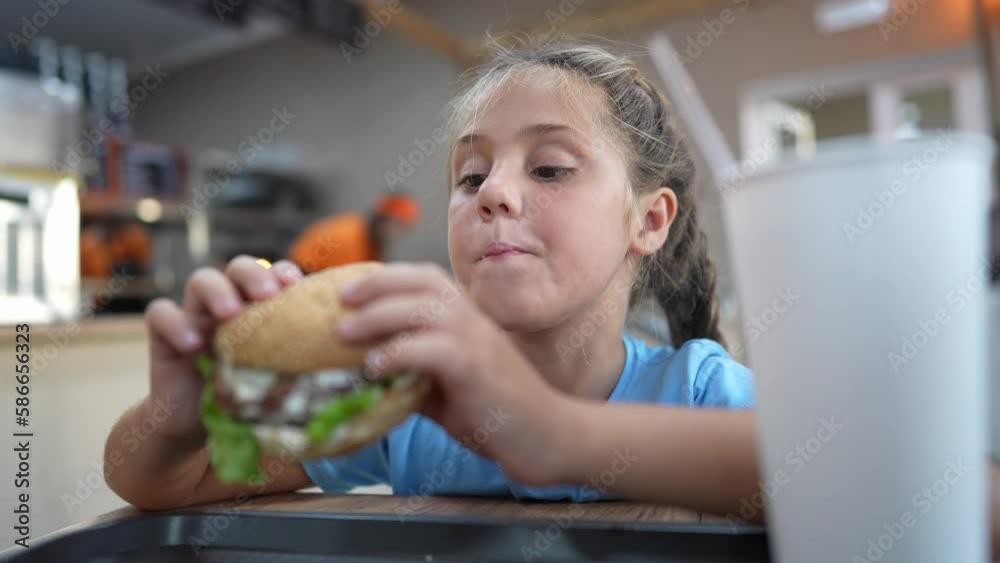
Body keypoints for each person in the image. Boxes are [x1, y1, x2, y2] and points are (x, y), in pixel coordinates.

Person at [100, 39, 1000, 553]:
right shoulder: (408, 407)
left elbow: (955, 499)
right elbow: (157, 479)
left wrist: (553, 431)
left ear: (648, 221)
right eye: (470, 173)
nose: (493, 191)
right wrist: (186, 413)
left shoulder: (695, 390)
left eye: (552, 166)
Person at [288, 191, 421, 273]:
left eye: (404, 228)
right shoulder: (348, 237)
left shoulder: (373, 243)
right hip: (303, 273)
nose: (398, 234)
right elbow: (340, 280)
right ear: (382, 219)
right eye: (397, 225)